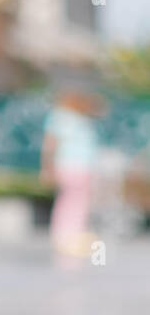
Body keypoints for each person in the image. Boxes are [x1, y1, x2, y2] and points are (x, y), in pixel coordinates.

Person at [41, 90, 105, 259]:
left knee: (74, 201)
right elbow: (51, 144)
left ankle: (69, 235)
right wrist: (48, 167)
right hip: (71, 166)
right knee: (73, 202)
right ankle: (67, 236)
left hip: (81, 167)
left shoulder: (78, 118)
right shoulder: (63, 117)